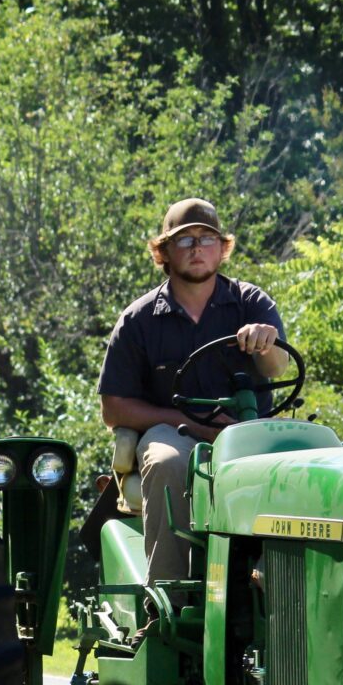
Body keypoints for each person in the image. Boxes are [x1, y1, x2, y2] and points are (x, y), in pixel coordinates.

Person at [98, 198, 290, 583]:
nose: (197, 248)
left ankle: (281, 590)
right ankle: (167, 602)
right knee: (168, 462)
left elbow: (278, 368)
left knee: (304, 467)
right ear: (164, 252)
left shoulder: (250, 303)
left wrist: (266, 343)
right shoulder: (139, 320)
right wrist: (186, 420)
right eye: (184, 241)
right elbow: (114, 408)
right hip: (175, 430)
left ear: (222, 249)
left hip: (250, 431)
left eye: (206, 239)